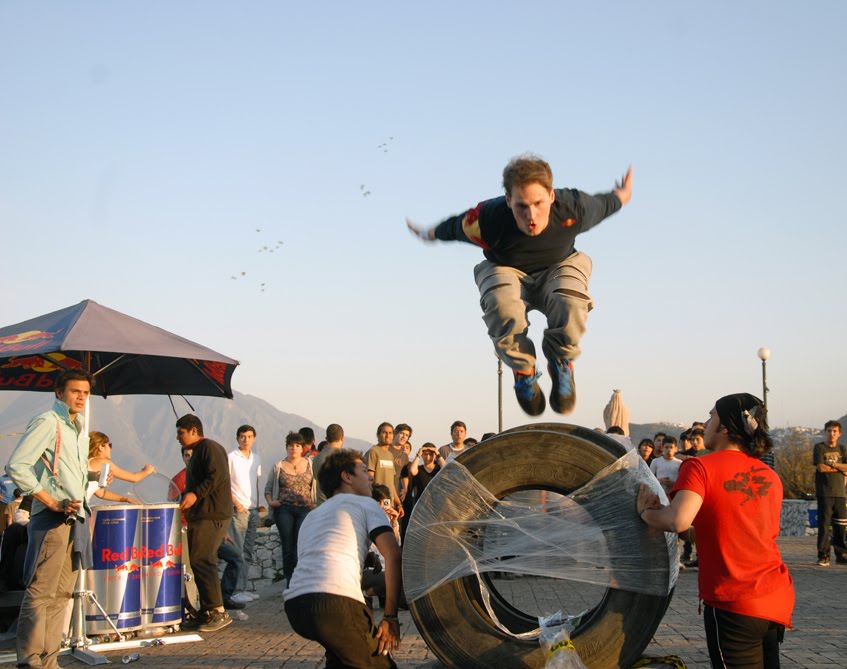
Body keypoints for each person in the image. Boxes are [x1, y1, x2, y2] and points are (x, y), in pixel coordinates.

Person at [407, 154, 633, 415]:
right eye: (521, 207)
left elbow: (609, 203)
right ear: (508, 201)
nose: (531, 216)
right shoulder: (487, 220)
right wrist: (428, 232)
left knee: (570, 299)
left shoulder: (574, 207)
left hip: (559, 266)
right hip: (505, 269)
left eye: (538, 203)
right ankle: (523, 370)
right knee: (501, 301)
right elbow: (452, 227)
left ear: (551, 195)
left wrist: (623, 194)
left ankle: (561, 359)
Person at [637, 393, 793, 669]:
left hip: (734, 601)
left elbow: (677, 520)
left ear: (724, 427)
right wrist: (688, 535)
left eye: (711, 416)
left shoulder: (699, 466)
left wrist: (646, 513)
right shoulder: (769, 475)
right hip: (774, 597)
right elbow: (739, 532)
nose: (705, 423)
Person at [5, 369, 96, 669]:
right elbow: (17, 466)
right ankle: (29, 661)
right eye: (74, 391)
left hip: (75, 519)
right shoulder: (48, 422)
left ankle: (50, 660)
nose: (81, 397)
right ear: (59, 392)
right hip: (51, 520)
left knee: (61, 595)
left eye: (85, 392)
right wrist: (50, 501)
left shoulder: (77, 428)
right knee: (41, 592)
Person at [283, 449, 401, 669]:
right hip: (334, 604)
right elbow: (393, 555)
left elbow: (319, 561)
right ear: (346, 477)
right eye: (364, 471)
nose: (370, 477)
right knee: (379, 664)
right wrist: (390, 617)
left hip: (297, 606)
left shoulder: (313, 515)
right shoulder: (366, 503)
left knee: (340, 660)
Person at [176, 413, 234, 632]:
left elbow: (216, 476)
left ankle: (218, 611)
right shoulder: (196, 452)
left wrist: (195, 495)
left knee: (203, 560)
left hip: (213, 514)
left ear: (193, 430)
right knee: (197, 560)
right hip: (200, 515)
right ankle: (207, 612)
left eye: (181, 432)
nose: (178, 437)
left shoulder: (210, 448)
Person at [265, 431, 317, 586]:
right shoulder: (278, 466)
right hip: (284, 509)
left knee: (301, 544)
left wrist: (315, 503)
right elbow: (268, 488)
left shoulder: (310, 465)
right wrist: (271, 502)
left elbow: (316, 487)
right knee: (288, 546)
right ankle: (290, 581)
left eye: (297, 445)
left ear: (302, 448)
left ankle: (303, 579)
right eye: (290, 446)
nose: (294, 448)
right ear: (286, 448)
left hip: (305, 510)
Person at [227, 424, 264, 605]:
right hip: (239, 510)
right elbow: (225, 483)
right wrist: (236, 503)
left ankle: (243, 587)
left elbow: (255, 483)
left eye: (249, 436)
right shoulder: (231, 457)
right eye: (242, 436)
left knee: (248, 550)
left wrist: (257, 504)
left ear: (254, 439)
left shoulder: (256, 459)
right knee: (238, 551)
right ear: (237, 438)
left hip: (253, 509)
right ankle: (234, 590)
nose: (246, 440)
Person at [812, 420, 847, 566]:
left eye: (835, 431)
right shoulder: (819, 448)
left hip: (840, 492)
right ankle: (823, 555)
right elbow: (821, 468)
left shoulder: (842, 449)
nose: (832, 434)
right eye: (829, 431)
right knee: (824, 525)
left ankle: (842, 554)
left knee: (841, 525)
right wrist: (840, 467)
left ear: (839, 434)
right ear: (825, 432)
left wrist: (833, 464)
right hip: (825, 492)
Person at [86, 431, 146, 504]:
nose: (111, 449)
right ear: (101, 447)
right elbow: (134, 478)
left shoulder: (89, 462)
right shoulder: (102, 462)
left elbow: (101, 493)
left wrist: (126, 499)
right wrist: (148, 470)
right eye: (109, 445)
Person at [313, 423, 345, 504]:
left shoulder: (317, 458)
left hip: (321, 505)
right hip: (340, 505)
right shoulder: (346, 458)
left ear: (326, 439)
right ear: (342, 438)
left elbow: (316, 477)